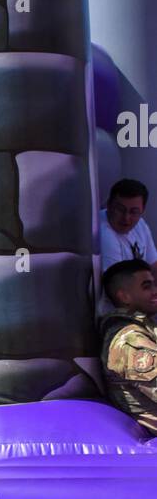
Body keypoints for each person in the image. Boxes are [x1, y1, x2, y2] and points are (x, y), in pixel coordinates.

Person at [100, 258, 157, 435]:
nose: (155, 292)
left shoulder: (141, 329)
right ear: (124, 296)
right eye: (146, 287)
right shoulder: (129, 341)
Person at [99, 180, 157, 274]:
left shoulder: (140, 223)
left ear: (142, 210)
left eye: (134, 211)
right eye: (120, 209)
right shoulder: (104, 234)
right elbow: (119, 284)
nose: (126, 218)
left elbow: (154, 265)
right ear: (109, 205)